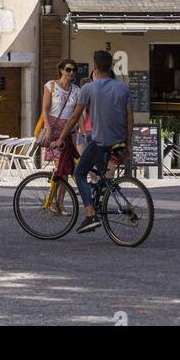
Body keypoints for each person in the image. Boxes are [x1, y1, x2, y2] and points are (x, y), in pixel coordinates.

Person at [54, 49, 133, 236]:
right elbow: (131, 119)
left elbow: (74, 117)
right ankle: (102, 195)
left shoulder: (89, 88)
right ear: (112, 67)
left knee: (80, 171)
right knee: (101, 176)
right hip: (119, 141)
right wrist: (129, 144)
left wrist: (60, 138)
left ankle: (90, 215)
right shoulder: (123, 87)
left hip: (100, 141)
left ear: (95, 67)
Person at [40, 60, 80, 215]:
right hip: (54, 128)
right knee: (61, 167)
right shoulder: (51, 86)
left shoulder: (77, 90)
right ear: (61, 70)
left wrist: (82, 130)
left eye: (74, 70)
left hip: (69, 131)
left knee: (65, 169)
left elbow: (78, 114)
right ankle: (54, 202)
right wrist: (48, 128)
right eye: (68, 69)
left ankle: (58, 202)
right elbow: (45, 109)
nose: (71, 73)